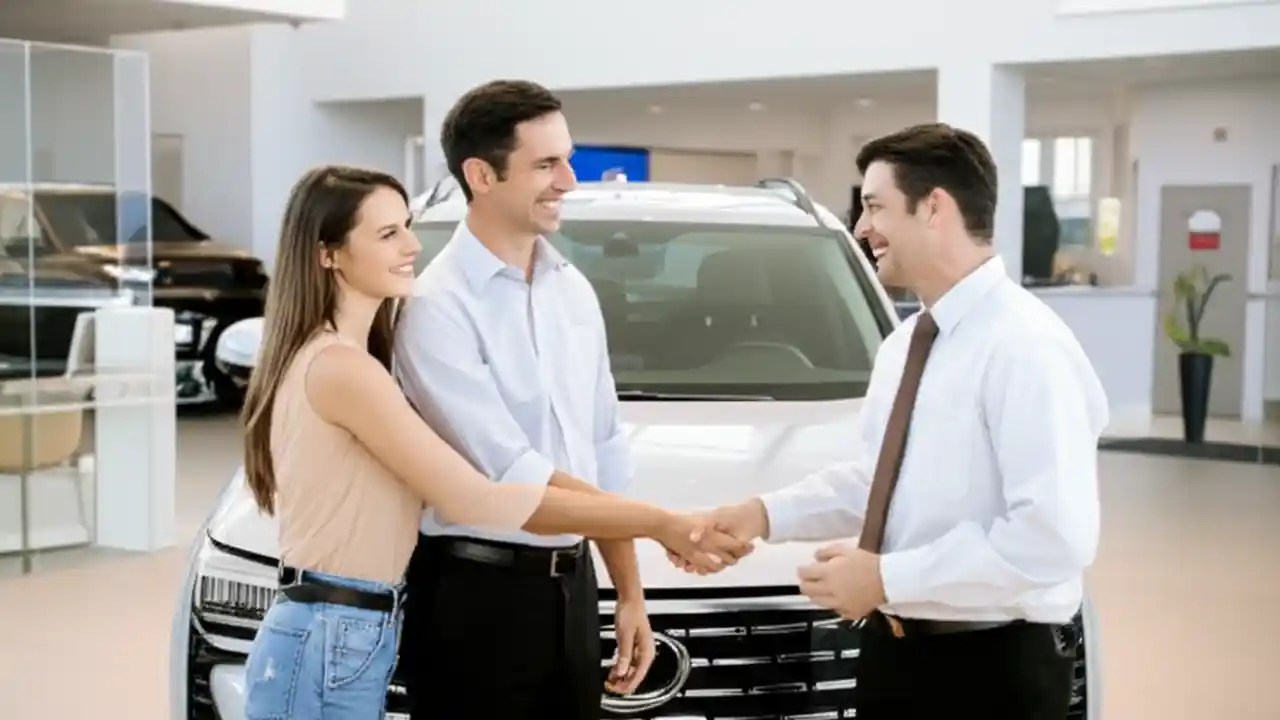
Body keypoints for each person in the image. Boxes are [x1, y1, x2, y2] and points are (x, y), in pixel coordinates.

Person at [237, 164, 750, 720]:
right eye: (387, 234)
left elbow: (525, 473)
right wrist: (657, 522)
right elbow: (477, 499)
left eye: (407, 225)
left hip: (351, 629)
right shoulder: (342, 369)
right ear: (327, 254)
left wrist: (643, 532)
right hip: (330, 632)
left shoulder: (359, 362)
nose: (412, 244)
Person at [681, 123, 1110, 719]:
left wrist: (886, 579)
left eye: (875, 207)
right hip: (897, 658)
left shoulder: (1026, 347)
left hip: (990, 674)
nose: (862, 228)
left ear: (934, 207)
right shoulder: (907, 344)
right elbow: (881, 483)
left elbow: (1051, 539)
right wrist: (763, 514)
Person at [391, 79, 746, 719]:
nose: (569, 181)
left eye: (568, 159)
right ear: (481, 175)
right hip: (475, 599)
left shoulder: (573, 291)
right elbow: (513, 477)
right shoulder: (434, 307)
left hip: (574, 589)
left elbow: (603, 451)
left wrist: (629, 593)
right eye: (546, 164)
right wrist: (662, 523)